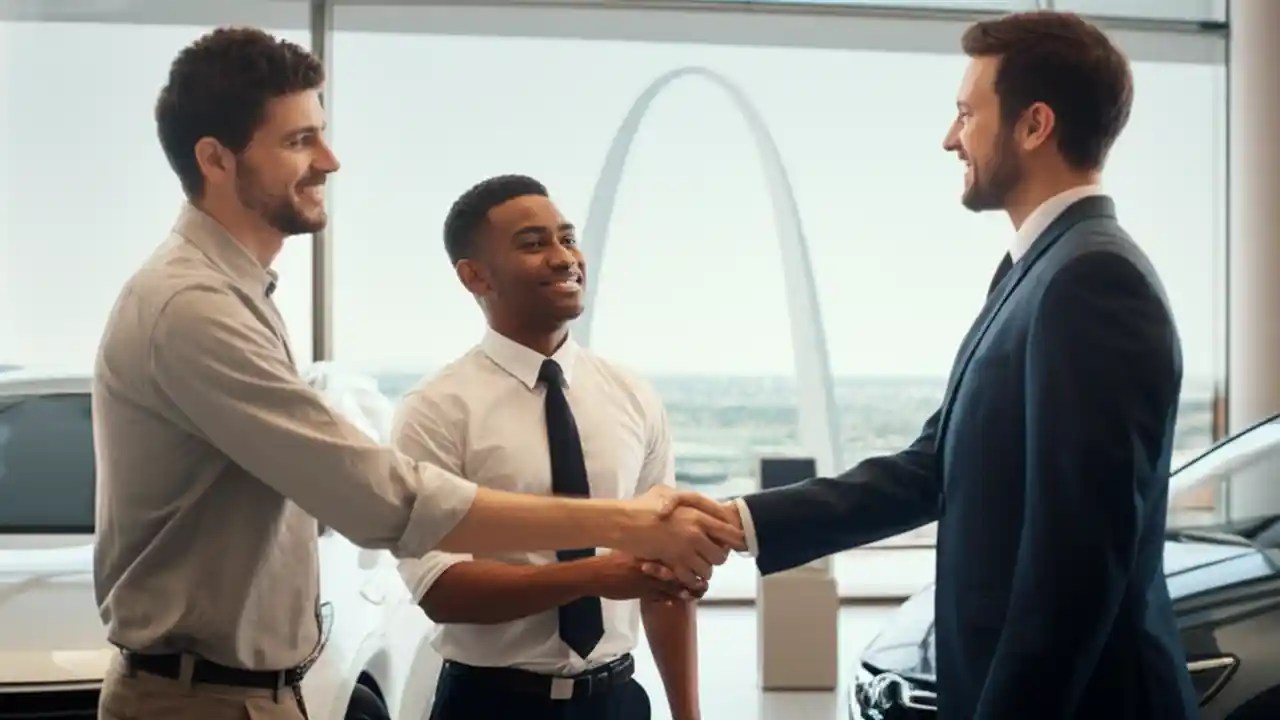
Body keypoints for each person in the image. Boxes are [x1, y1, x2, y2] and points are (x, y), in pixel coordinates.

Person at [92, 28, 739, 720]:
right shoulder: (193, 308)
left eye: (322, 134)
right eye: (298, 141)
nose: (330, 161)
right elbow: (378, 499)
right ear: (216, 160)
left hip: (245, 694)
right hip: (205, 702)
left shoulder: (237, 296)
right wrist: (627, 527)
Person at [657, 11, 1198, 719]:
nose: (950, 139)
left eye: (967, 113)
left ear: (1035, 125)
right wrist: (740, 521)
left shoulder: (1091, 280)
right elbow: (936, 466)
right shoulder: (1041, 271)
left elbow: (1075, 568)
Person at [393, 175, 702, 720]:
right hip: (489, 706)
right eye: (534, 244)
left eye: (567, 238)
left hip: (619, 703)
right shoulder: (436, 409)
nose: (564, 258)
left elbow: (663, 577)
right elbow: (441, 588)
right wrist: (598, 575)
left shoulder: (631, 395)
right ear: (474, 276)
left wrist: (688, 715)